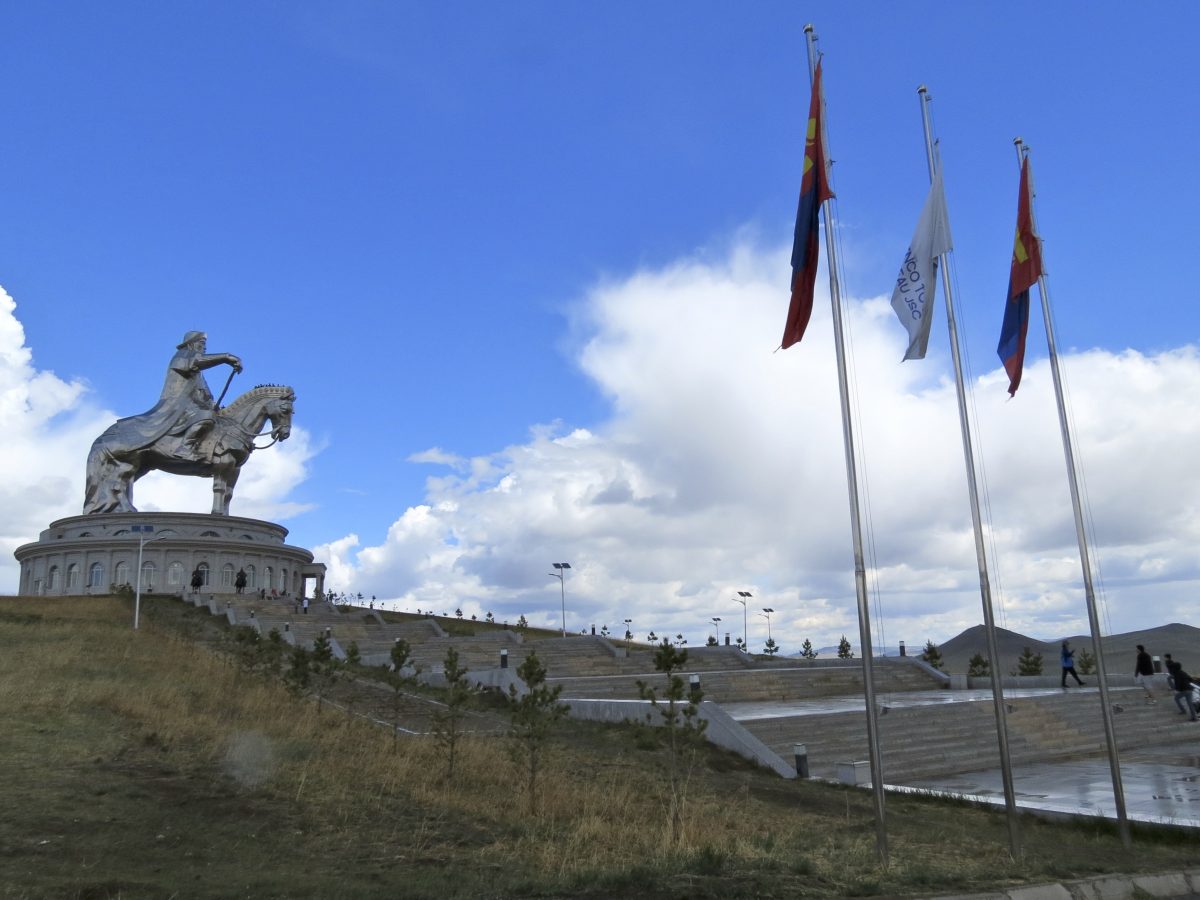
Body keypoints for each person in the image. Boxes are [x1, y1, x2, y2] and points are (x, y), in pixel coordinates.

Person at [1164, 655, 1197, 721]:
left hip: (1184, 690)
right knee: (1190, 704)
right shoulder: (1183, 672)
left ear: (1174, 668)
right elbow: (1191, 679)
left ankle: (1183, 711)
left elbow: (1178, 684)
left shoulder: (1176, 674)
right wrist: (1185, 682)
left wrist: (1175, 689)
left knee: (1176, 698)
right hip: (1189, 689)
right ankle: (1194, 717)